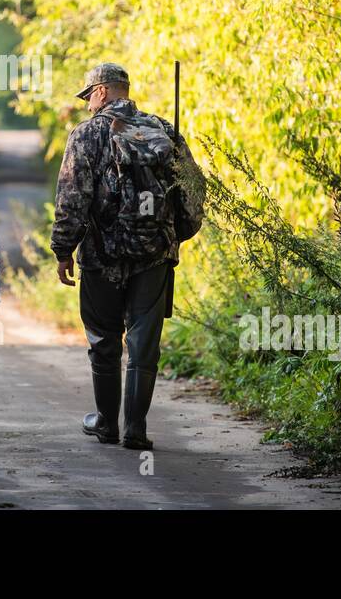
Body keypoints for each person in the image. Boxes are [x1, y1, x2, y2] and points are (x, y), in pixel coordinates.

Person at [51, 63, 204, 450]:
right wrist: (171, 237)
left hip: (102, 254)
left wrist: (63, 249)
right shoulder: (164, 131)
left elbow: (73, 197)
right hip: (153, 255)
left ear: (101, 92)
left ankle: (105, 423)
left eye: (88, 97)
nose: (86, 106)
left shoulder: (85, 135)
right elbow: (193, 192)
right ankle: (135, 428)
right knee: (143, 343)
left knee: (104, 338)